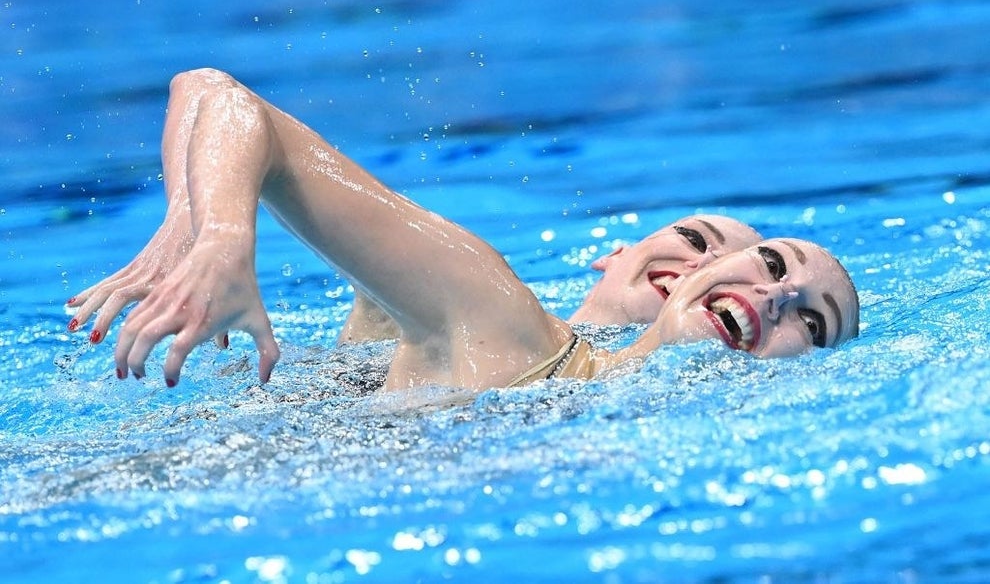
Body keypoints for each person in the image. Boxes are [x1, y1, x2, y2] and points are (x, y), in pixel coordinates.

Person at [65, 68, 859, 392]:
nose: (781, 297)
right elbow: (214, 92)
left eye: (814, 323)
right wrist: (210, 237)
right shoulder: (506, 322)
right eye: (768, 263)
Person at [338, 212, 763, 343]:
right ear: (615, 256)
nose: (699, 271)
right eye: (693, 240)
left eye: (722, 277)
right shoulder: (476, 301)